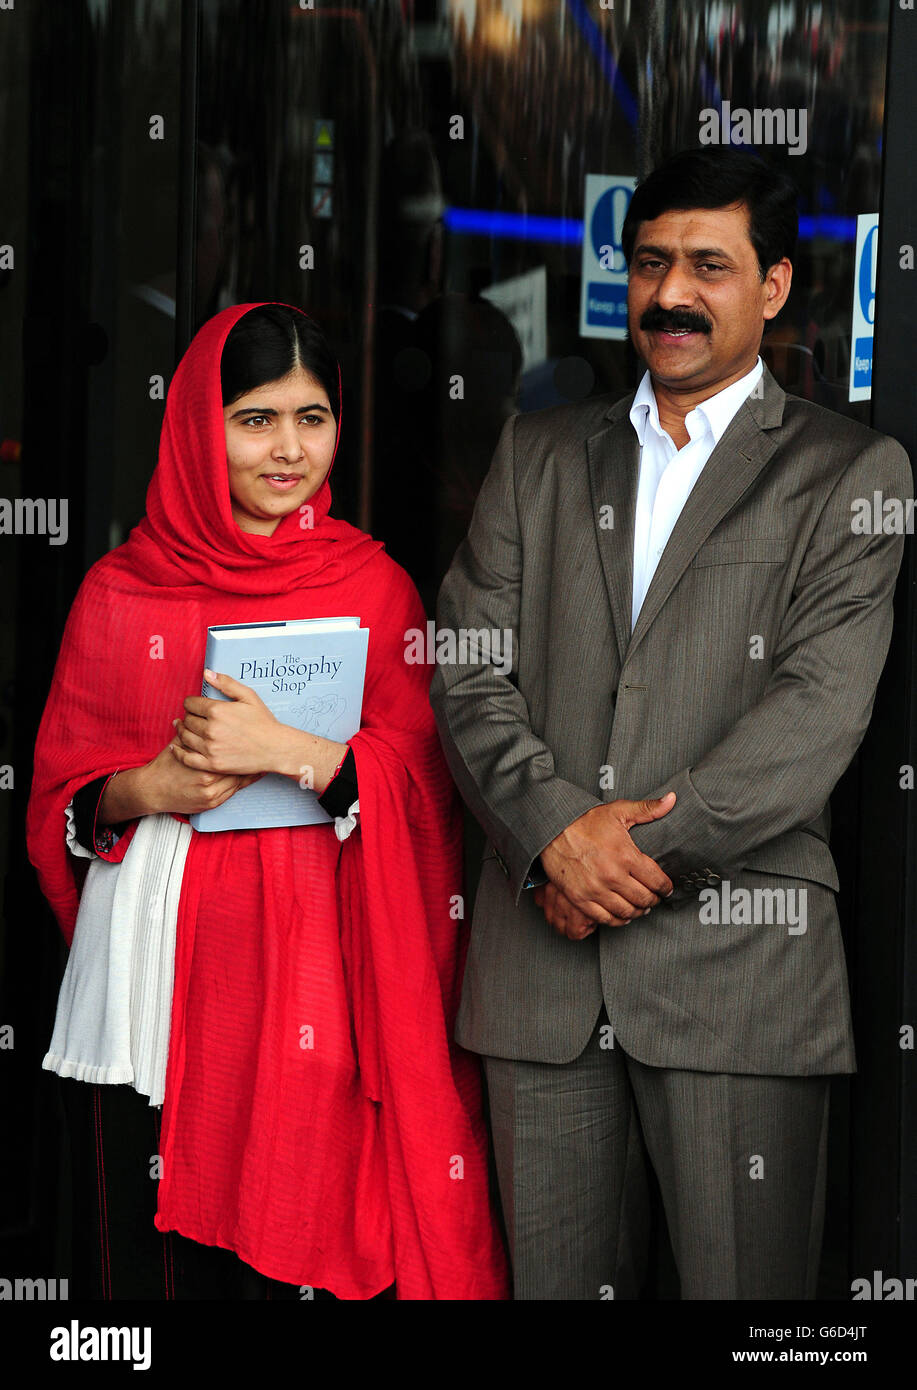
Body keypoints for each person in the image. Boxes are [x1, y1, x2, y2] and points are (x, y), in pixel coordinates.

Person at [429, 146, 912, 1300]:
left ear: (776, 285)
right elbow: (465, 662)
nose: (671, 295)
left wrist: (614, 854)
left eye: (707, 264)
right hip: (541, 975)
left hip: (738, 976)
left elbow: (810, 721)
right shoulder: (537, 452)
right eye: (650, 265)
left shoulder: (849, 474)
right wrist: (554, 833)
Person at [27, 301, 508, 1301]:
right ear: (200, 426)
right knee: (136, 1277)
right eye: (254, 418)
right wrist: (144, 786)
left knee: (283, 1243)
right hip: (139, 993)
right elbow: (58, 799)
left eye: (311, 416)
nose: (289, 449)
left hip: (304, 996)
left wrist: (301, 754)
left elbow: (427, 800)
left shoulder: (372, 591)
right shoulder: (120, 591)